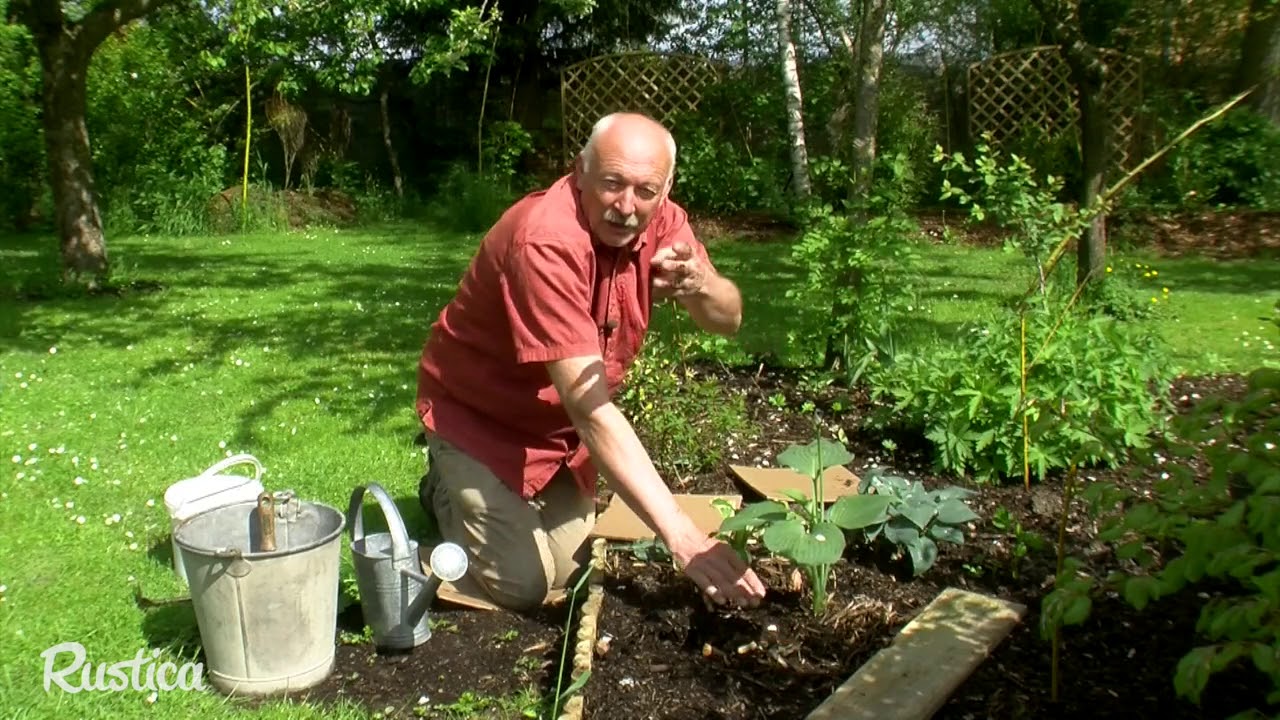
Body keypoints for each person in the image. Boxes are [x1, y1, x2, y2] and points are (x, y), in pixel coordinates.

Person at [414, 112, 766, 612]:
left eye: (645, 191)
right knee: (524, 588)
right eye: (612, 184)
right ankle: (443, 488)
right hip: (477, 416)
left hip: (553, 432)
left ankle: (493, 500)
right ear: (580, 171)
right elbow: (591, 407)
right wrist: (685, 539)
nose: (626, 207)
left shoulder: (664, 222)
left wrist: (701, 284)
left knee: (571, 569)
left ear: (665, 190)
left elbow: (728, 320)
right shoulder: (547, 241)